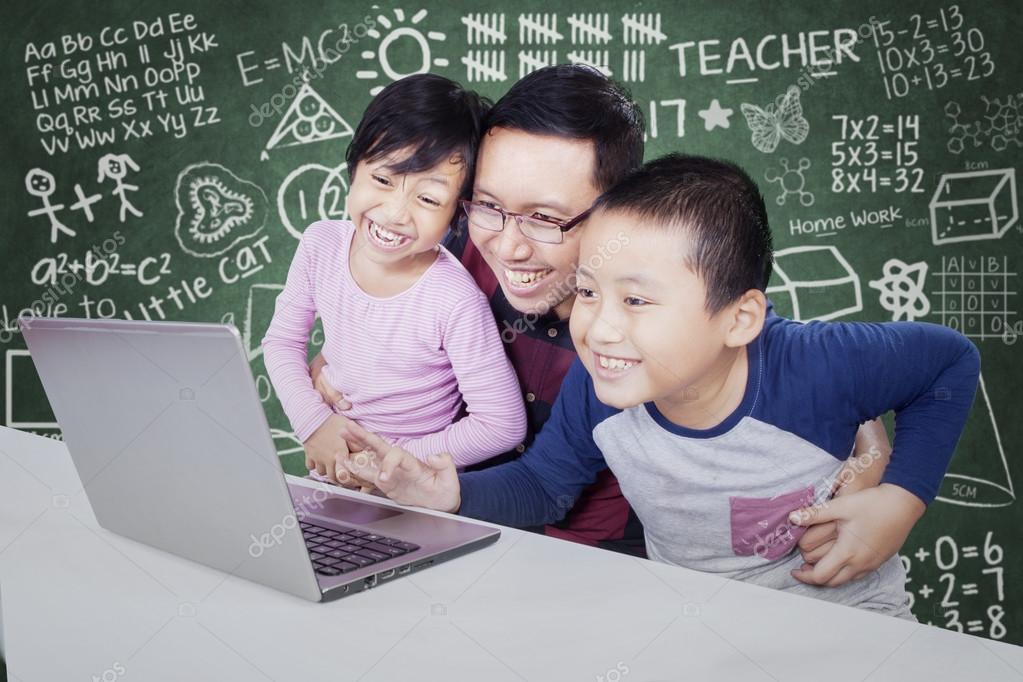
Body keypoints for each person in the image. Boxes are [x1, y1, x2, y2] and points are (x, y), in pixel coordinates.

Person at [337, 154, 981, 617]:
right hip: (694, 622)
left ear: (740, 318)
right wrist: (445, 491)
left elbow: (948, 362)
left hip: (849, 623)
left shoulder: (813, 364)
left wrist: (900, 501)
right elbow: (544, 486)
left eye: (638, 301)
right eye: (588, 292)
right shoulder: (600, 385)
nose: (600, 328)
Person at [313, 65, 897, 561]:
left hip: (604, 561)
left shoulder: (664, 301)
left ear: (620, 211)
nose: (510, 245)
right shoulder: (459, 241)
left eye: (545, 217)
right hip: (445, 526)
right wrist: (339, 359)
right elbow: (368, 300)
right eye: (489, 204)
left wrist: (874, 460)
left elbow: (773, 349)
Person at [262, 74, 526, 484]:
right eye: (383, 180)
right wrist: (314, 424)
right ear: (353, 170)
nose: (395, 213)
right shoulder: (320, 245)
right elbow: (282, 341)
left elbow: (503, 423)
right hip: (332, 478)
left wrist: (392, 462)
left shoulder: (454, 299)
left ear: (457, 214)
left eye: (428, 199)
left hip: (416, 496)